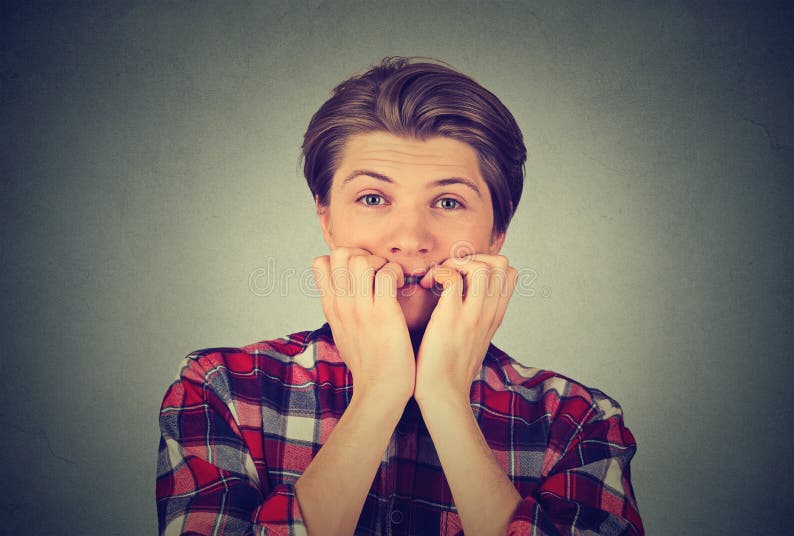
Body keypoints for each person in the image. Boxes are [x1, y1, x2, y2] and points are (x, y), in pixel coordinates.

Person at [156, 56, 644, 535]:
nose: (410, 239)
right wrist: (379, 394)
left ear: (498, 230)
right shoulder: (220, 391)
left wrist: (445, 399)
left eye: (448, 201)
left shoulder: (577, 423)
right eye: (373, 198)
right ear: (326, 217)